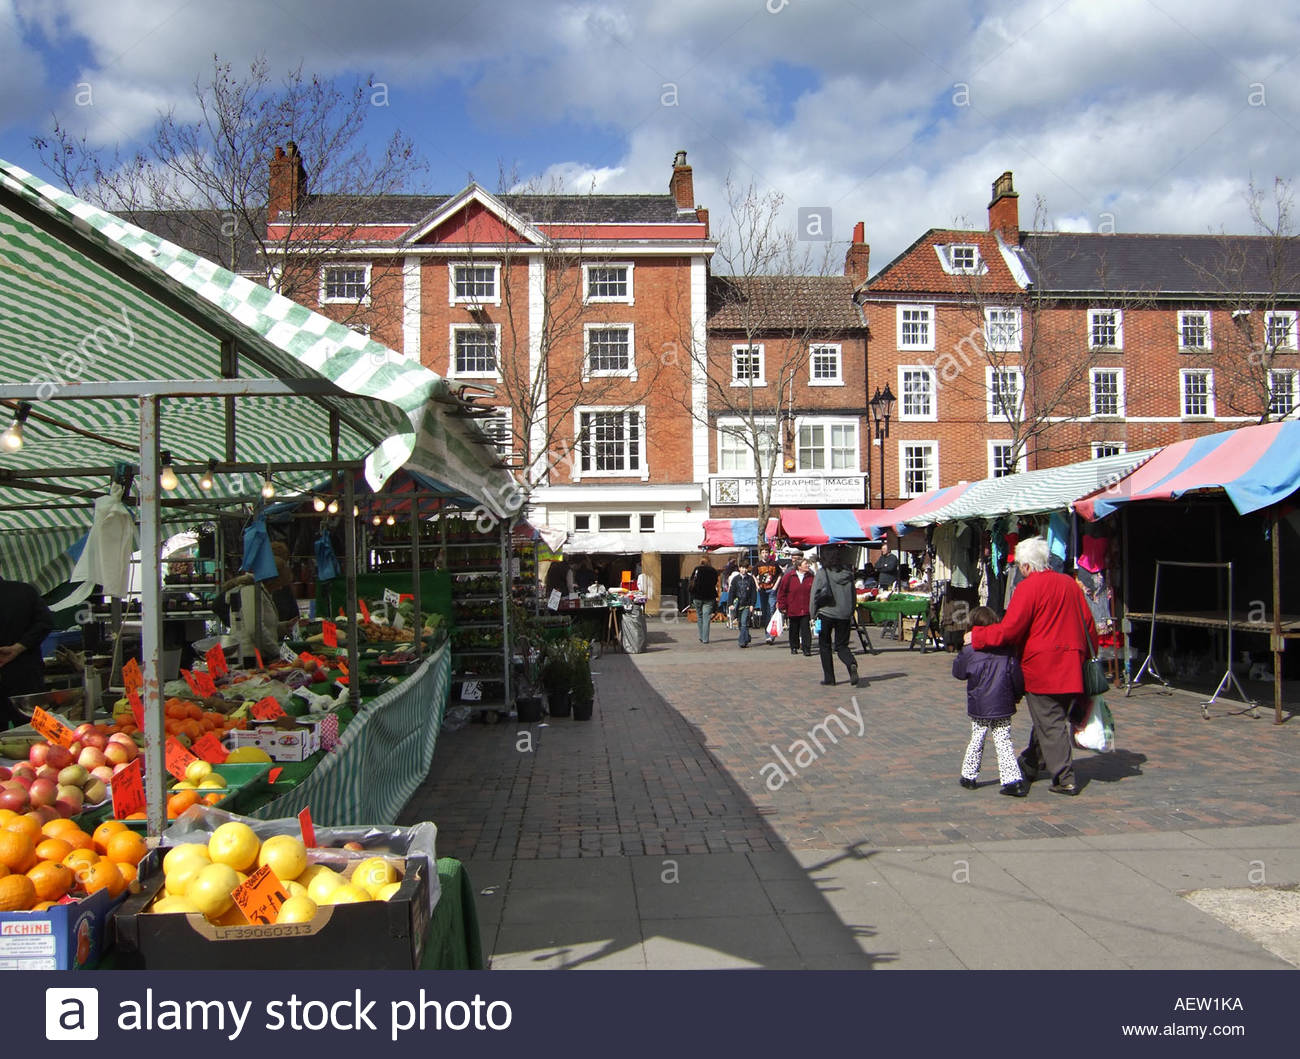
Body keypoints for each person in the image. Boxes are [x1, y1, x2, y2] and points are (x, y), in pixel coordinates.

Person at [965, 537, 1098, 796]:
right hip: (1071, 663)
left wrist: (978, 636)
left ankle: (1065, 777)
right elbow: (1088, 625)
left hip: (1043, 667)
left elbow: (1010, 630)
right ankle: (1029, 764)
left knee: (1049, 721)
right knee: (1050, 718)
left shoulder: (1028, 588)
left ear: (1026, 566)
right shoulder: (1069, 584)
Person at [952, 606, 1028, 797]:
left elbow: (959, 673)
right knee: (1003, 740)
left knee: (977, 737)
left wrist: (962, 651)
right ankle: (1012, 780)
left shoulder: (970, 649)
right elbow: (1016, 675)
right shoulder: (1006, 649)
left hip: (979, 702)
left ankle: (969, 775)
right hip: (1002, 701)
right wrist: (1018, 694)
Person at [0, 572, 55, 729]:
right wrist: (19, 647)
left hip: (23, 679)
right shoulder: (24, 591)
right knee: (35, 736)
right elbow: (46, 622)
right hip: (26, 682)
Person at [809, 547, 859, 686]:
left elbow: (814, 595)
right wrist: (850, 611)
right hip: (844, 614)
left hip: (826, 613)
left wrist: (812, 614)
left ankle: (829, 678)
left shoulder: (822, 573)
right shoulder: (848, 575)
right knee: (842, 645)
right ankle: (851, 663)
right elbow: (853, 596)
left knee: (824, 646)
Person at [776, 557, 814, 656]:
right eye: (805, 564)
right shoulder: (789, 576)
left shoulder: (810, 577)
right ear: (799, 566)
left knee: (805, 628)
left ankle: (806, 648)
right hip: (793, 607)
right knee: (794, 628)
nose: (808, 566)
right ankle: (794, 646)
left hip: (806, 608)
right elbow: (782, 591)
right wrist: (782, 605)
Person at [688, 557, 720, 645]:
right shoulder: (713, 571)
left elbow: (691, 581)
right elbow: (715, 582)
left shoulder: (697, 569)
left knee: (700, 616)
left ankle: (701, 636)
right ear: (709, 562)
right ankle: (705, 638)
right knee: (706, 618)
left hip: (697, 596)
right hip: (709, 597)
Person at [730, 559, 760, 649]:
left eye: (745, 568)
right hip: (738, 604)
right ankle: (747, 637)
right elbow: (731, 592)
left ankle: (742, 641)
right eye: (742, 568)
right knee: (740, 624)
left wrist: (752, 604)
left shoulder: (750, 579)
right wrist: (730, 603)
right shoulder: (735, 579)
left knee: (744, 622)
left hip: (747, 604)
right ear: (739, 568)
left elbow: (753, 593)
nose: (744, 570)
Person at [755, 548, 781, 643]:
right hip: (762, 590)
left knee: (771, 610)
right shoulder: (758, 564)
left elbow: (779, 575)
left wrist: (775, 586)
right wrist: (757, 585)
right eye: (763, 552)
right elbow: (754, 574)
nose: (765, 554)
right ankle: (767, 633)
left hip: (772, 589)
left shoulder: (774, 563)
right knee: (765, 611)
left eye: (766, 552)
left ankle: (771, 634)